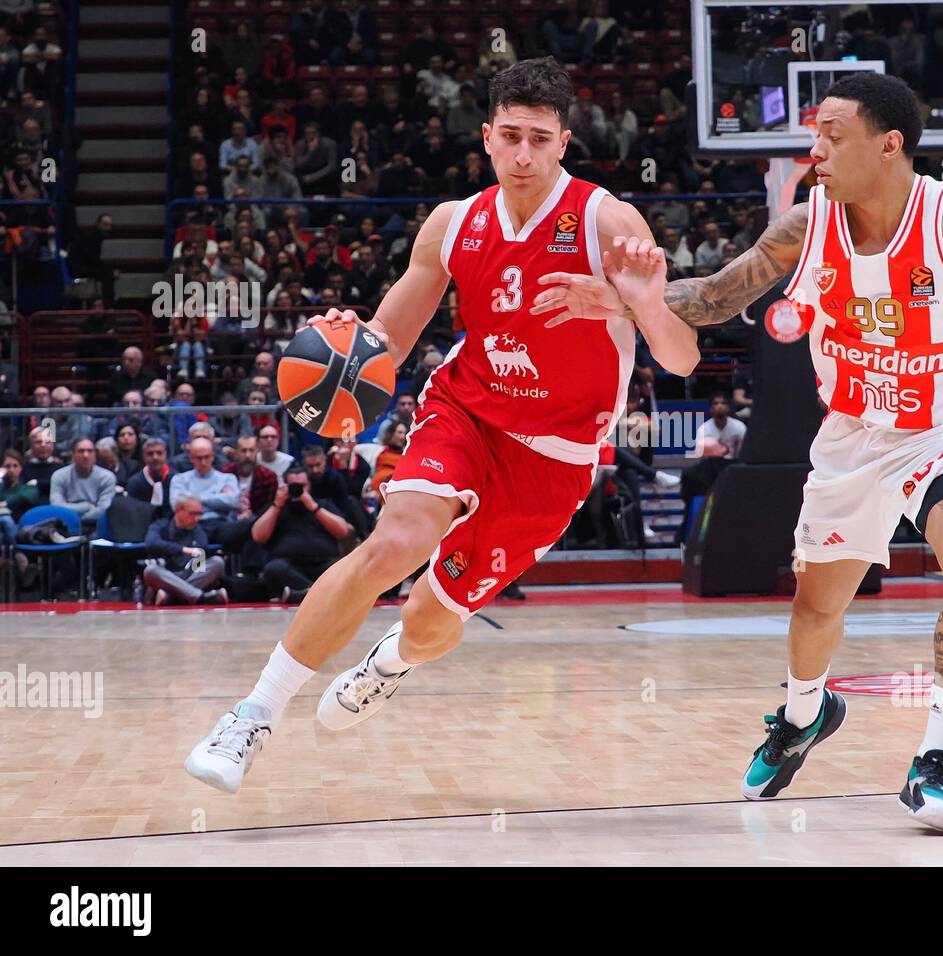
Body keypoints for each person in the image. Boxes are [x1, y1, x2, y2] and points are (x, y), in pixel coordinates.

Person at [539, 71, 943, 831]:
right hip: (849, 440)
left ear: (889, 145)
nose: (816, 150)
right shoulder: (808, 226)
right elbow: (719, 296)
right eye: (815, 135)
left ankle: (935, 757)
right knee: (814, 608)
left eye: (833, 136)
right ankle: (806, 714)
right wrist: (627, 298)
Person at [186, 58, 700, 794]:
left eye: (541, 139)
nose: (524, 154)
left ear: (564, 145)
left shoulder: (607, 222)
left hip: (555, 458)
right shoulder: (452, 224)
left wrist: (647, 307)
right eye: (511, 136)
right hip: (465, 409)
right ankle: (252, 716)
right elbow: (389, 341)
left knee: (430, 623)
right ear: (487, 136)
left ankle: (388, 664)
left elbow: (681, 359)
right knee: (393, 544)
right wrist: (346, 339)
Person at [253, 465, 353, 604]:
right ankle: (314, 593)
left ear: (309, 485)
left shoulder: (322, 504)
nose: (298, 490)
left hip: (323, 564)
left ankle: (304, 594)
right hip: (289, 567)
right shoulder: (276, 507)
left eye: (302, 486)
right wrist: (277, 505)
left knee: (339, 568)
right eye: (294, 486)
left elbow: (343, 531)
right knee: (274, 569)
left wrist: (313, 507)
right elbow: (258, 536)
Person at [142, 496, 228, 606]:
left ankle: (173, 597)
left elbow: (198, 563)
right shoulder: (160, 526)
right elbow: (151, 543)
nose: (196, 518)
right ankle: (199, 597)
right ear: (178, 510)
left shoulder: (199, 532)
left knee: (218, 562)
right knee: (150, 570)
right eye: (192, 513)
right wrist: (182, 550)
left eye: (199, 514)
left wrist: (179, 582)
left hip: (189, 574)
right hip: (166, 575)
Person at [168, 437, 243, 544]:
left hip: (220, 525)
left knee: (249, 526)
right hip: (192, 526)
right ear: (191, 458)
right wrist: (218, 498)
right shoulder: (179, 479)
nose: (203, 462)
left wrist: (192, 499)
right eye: (199, 458)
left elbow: (232, 501)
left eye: (206, 457)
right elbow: (176, 504)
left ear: (212, 456)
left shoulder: (227, 478)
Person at [50, 437, 117, 533]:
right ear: (73, 455)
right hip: (65, 525)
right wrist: (86, 506)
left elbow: (103, 510)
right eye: (81, 451)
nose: (86, 455)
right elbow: (56, 506)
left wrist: (75, 515)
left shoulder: (107, 477)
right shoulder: (59, 475)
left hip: (96, 526)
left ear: (95, 455)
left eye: (90, 451)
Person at [222, 434, 279, 518]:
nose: (247, 455)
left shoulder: (268, 476)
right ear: (236, 452)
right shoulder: (225, 474)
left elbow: (269, 508)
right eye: (244, 451)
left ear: (257, 452)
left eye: (251, 450)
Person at [125, 438, 174, 516]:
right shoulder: (135, 482)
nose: (155, 457)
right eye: (150, 454)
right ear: (144, 456)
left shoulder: (176, 479)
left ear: (165, 455)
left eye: (159, 453)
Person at [694, 393, 746, 458]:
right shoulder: (703, 429)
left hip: (732, 465)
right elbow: (699, 455)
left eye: (723, 403)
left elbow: (744, 454)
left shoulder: (739, 426)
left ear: (728, 408)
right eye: (716, 403)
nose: (720, 406)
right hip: (711, 465)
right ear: (711, 409)